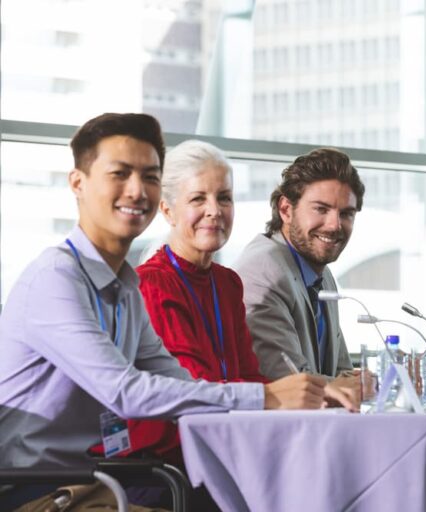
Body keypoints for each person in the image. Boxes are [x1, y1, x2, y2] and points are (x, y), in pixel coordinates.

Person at [0, 114, 345, 510]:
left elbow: (179, 382)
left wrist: (275, 399)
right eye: (120, 173)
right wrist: (264, 397)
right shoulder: (57, 278)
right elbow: (125, 392)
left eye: (149, 176)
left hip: (96, 481)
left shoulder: (124, 287)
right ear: (78, 183)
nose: (137, 190)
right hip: (36, 489)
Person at [234, 148, 363, 384]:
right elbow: (289, 382)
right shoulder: (263, 270)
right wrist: (364, 385)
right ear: (286, 210)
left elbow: (339, 373)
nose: (335, 225)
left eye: (346, 213)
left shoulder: (322, 275)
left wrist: (392, 378)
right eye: (321, 209)